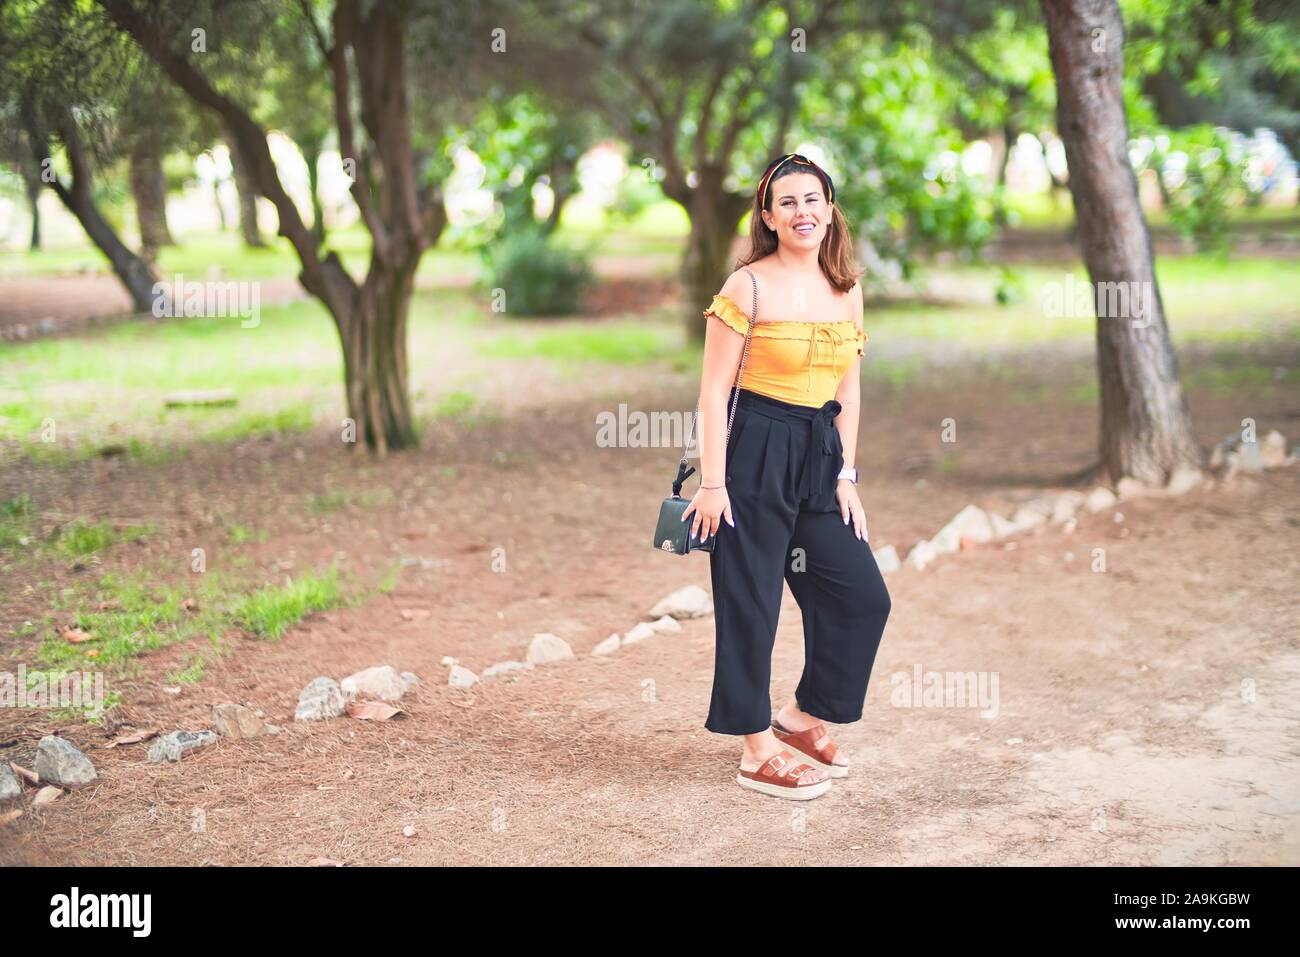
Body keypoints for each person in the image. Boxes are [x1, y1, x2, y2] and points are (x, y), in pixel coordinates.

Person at [681, 153, 892, 801]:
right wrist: (713, 484)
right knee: (753, 601)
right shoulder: (747, 285)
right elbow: (713, 392)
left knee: (861, 596)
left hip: (819, 449)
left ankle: (800, 716)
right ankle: (755, 749)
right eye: (789, 202)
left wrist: (846, 473)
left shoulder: (847, 288)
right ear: (768, 217)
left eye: (815, 199)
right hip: (753, 449)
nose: (804, 211)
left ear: (831, 211)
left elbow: (849, 391)